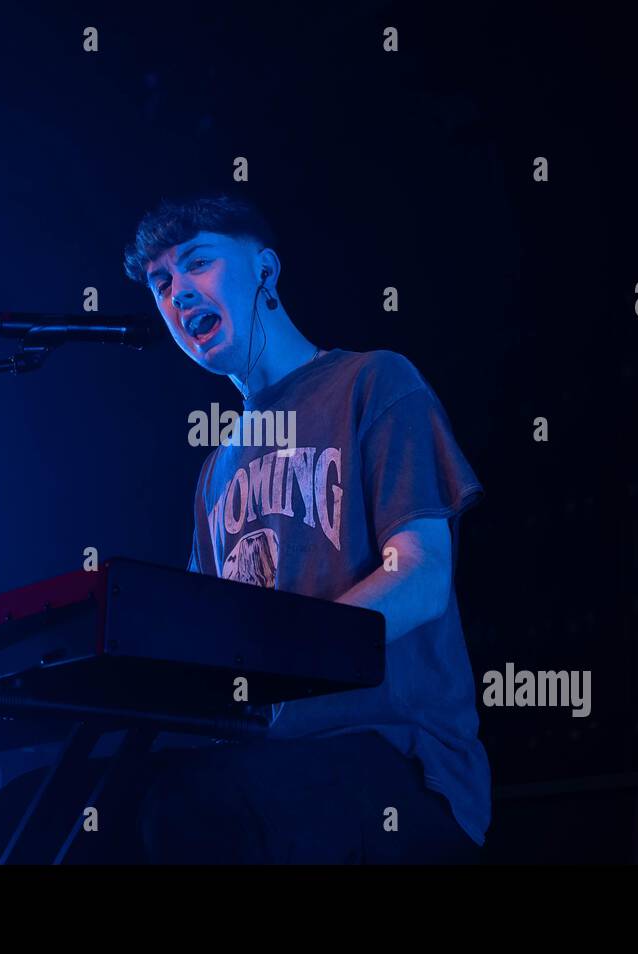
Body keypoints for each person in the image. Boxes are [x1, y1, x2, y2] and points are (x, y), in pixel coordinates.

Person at [117, 192, 490, 863]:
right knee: (53, 814)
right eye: (161, 283)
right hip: (263, 763)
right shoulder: (214, 473)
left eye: (197, 263)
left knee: (191, 805)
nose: (178, 294)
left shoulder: (373, 381)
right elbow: (205, 645)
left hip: (399, 760)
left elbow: (425, 575)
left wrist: (294, 661)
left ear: (265, 270)